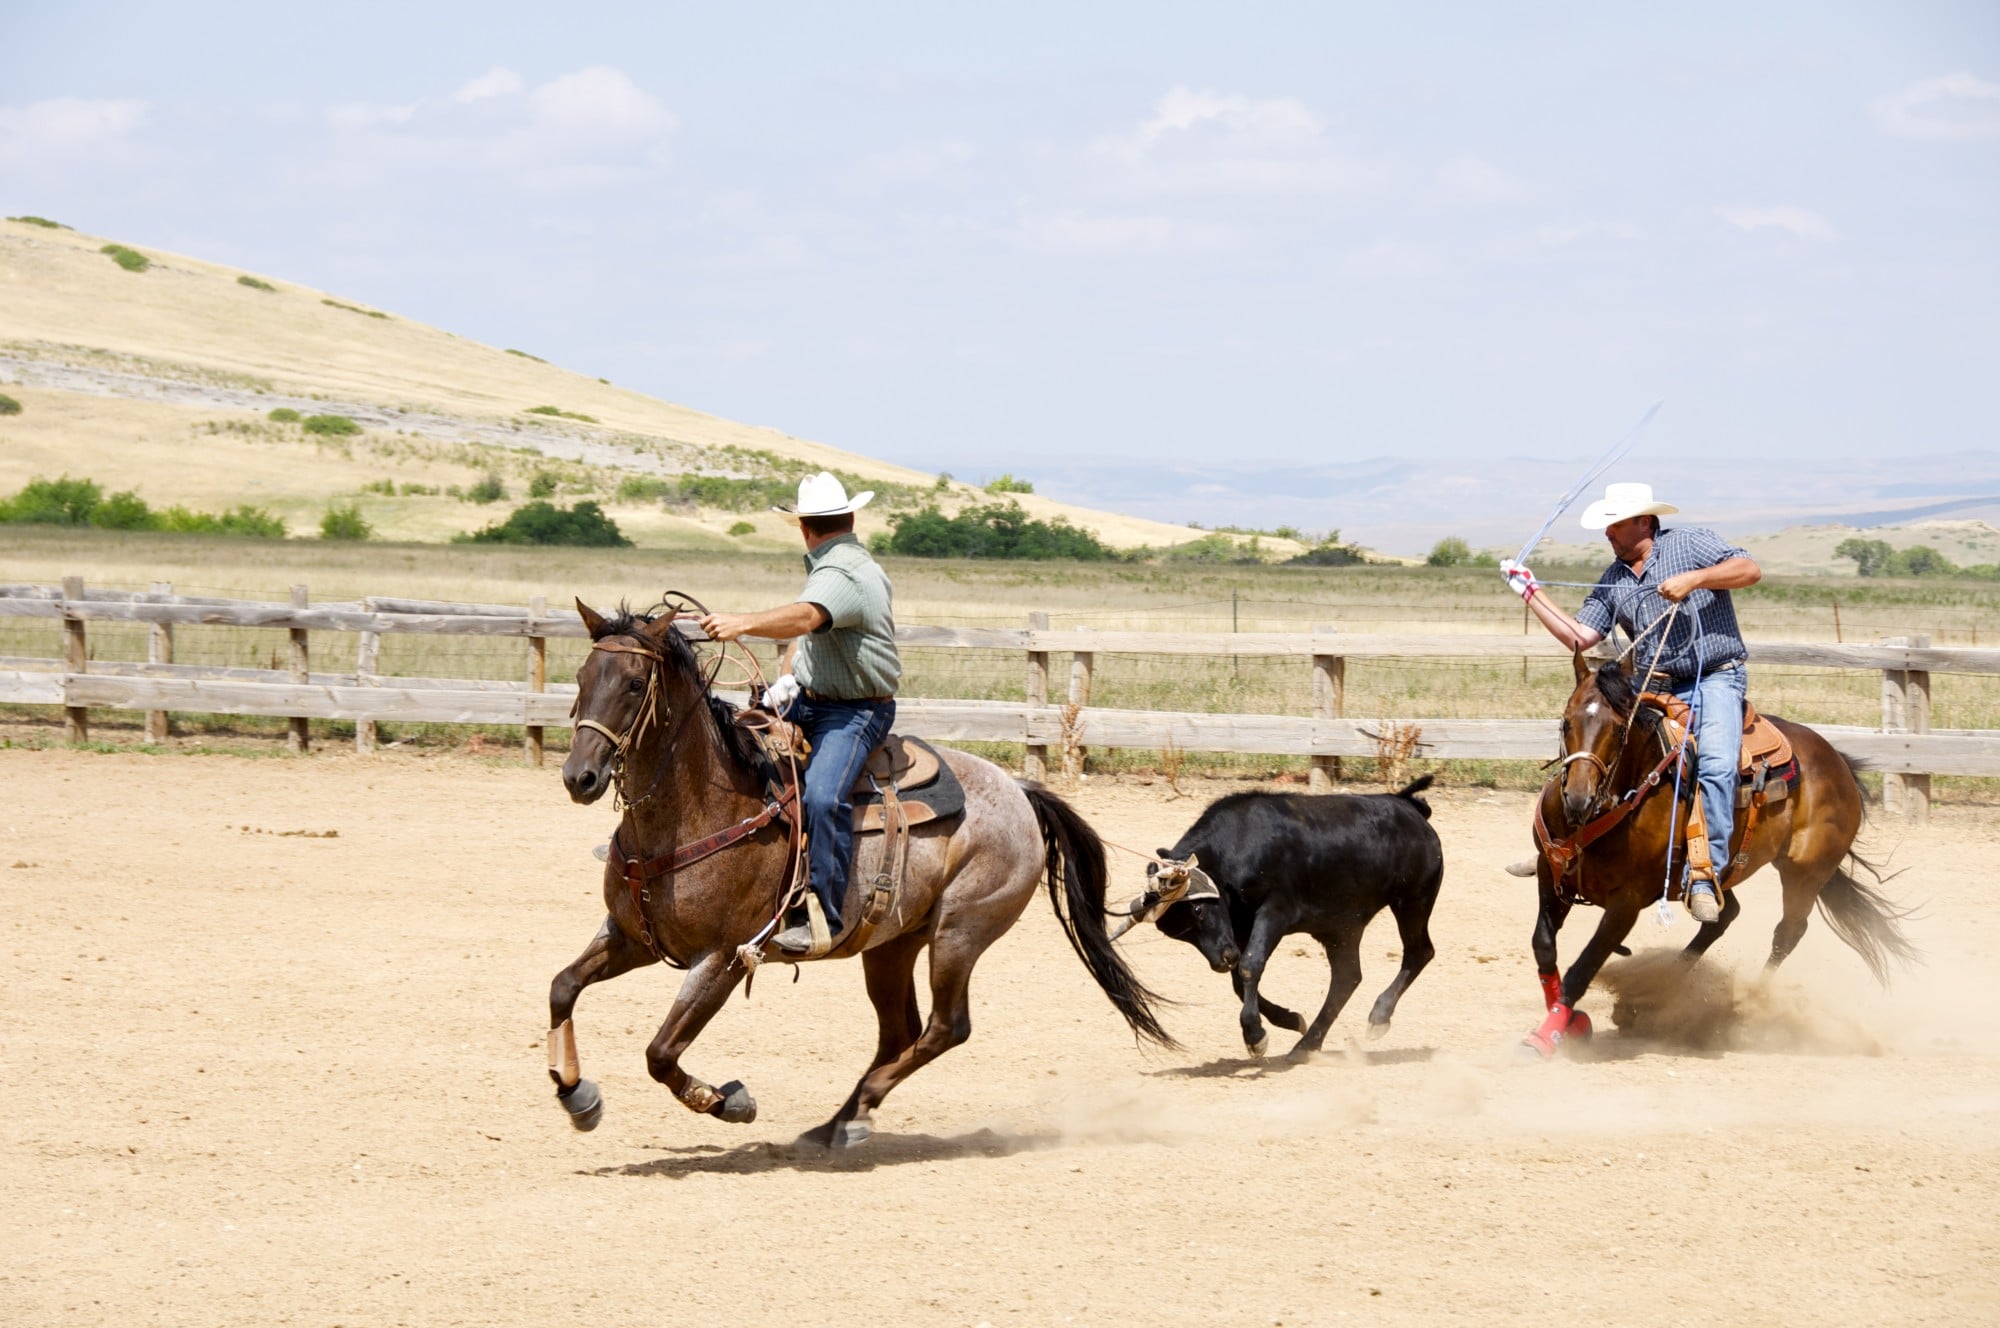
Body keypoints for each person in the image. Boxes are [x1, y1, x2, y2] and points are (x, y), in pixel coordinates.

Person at [1500, 482, 1761, 923]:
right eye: (1606, 525)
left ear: (1644, 521)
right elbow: (1581, 637)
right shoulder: (1613, 579)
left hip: (1713, 678)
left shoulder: (1689, 544)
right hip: (1649, 683)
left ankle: (1704, 873)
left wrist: (1695, 578)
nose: (1607, 533)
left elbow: (1749, 570)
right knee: (1594, 746)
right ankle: (1561, 848)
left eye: (1614, 524)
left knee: (1715, 764)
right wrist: (1532, 594)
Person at [700, 472, 901, 956]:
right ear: (849, 519)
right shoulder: (836, 565)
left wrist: (743, 623)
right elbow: (812, 632)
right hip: (814, 699)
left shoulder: (843, 574)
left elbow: (807, 617)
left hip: (854, 713)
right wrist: (788, 682)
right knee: (727, 751)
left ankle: (822, 914)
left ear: (804, 527)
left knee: (824, 797)